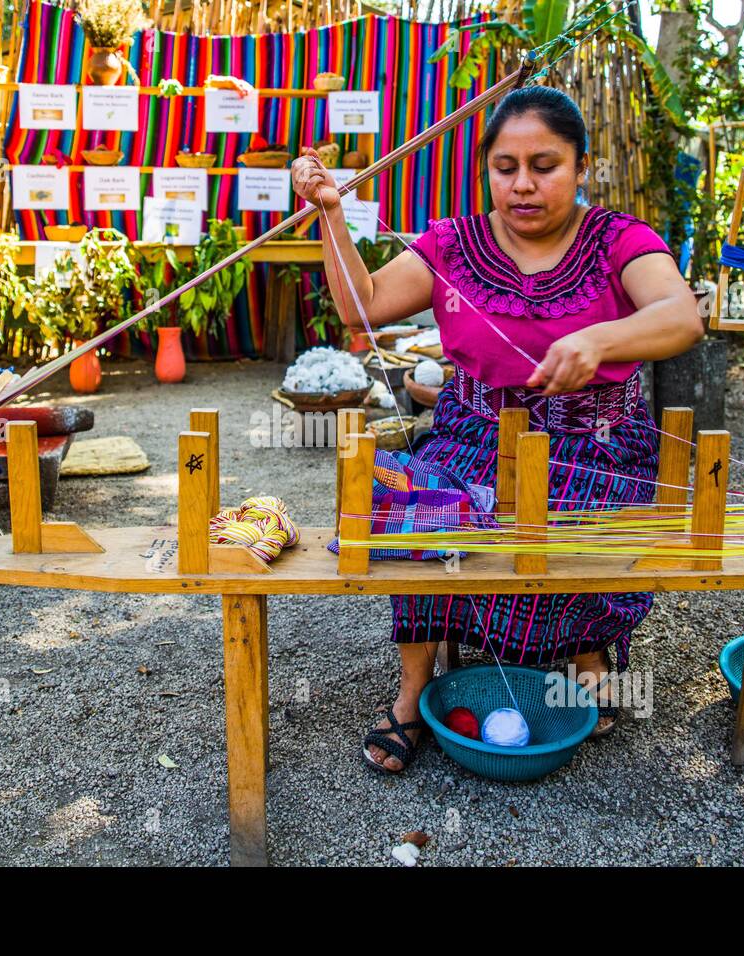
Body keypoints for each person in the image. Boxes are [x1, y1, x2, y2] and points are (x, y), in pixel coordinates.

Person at [291, 86, 704, 772]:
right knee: (417, 514)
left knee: (562, 524)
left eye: (545, 164)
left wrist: (599, 340)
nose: (524, 184)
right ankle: (413, 690)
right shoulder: (455, 243)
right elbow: (363, 307)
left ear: (580, 168)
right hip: (473, 431)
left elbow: (681, 315)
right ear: (485, 172)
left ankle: (584, 652)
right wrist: (332, 215)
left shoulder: (619, 239)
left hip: (593, 442)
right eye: (505, 167)